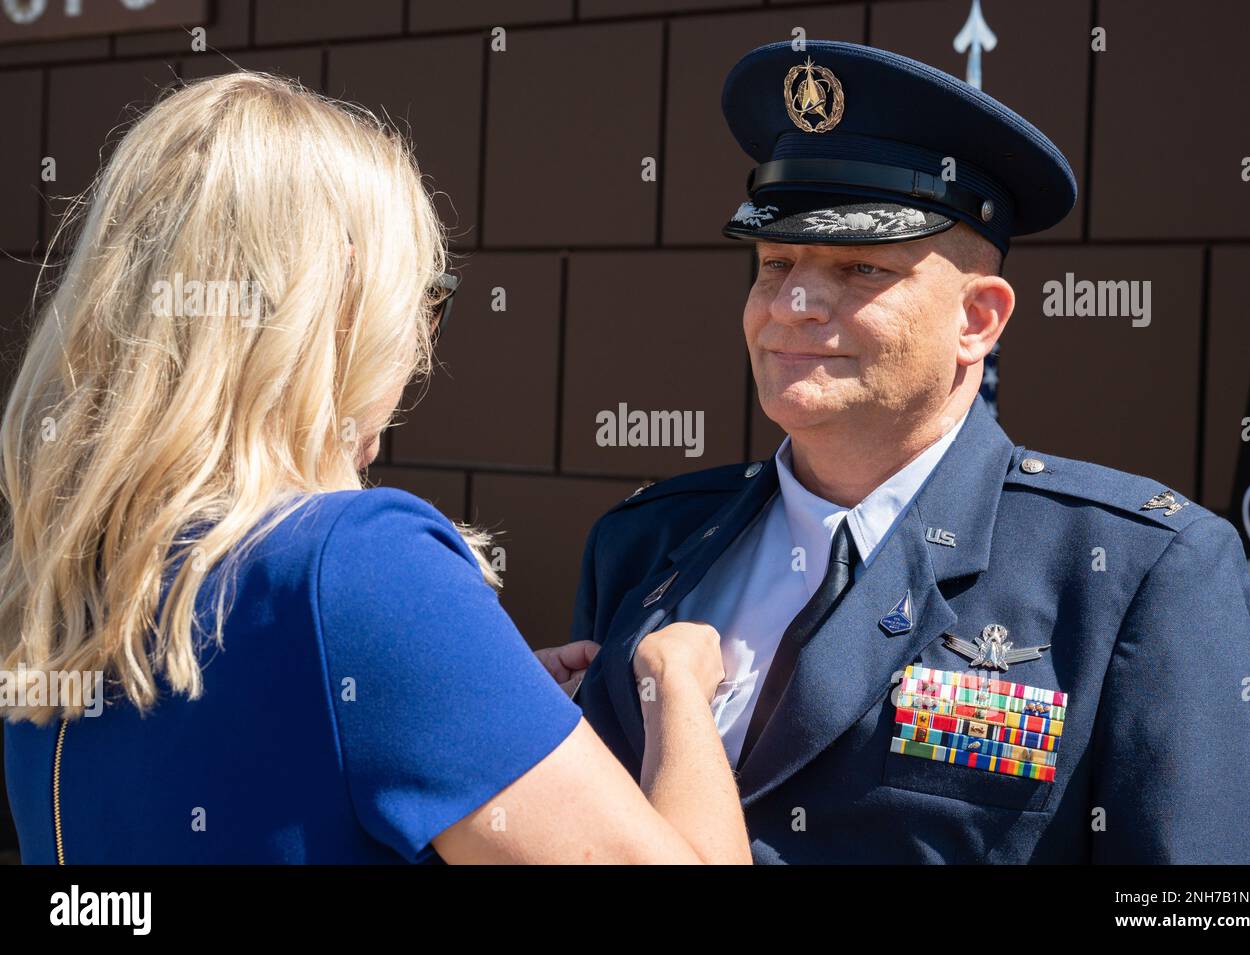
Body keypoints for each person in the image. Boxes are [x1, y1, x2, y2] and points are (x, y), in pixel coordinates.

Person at [563, 41, 1250, 864]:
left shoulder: (1134, 573)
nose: (794, 304)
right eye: (775, 264)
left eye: (858, 267)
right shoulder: (641, 547)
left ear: (977, 319)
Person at [0, 72, 750, 865]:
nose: (422, 348)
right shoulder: (358, 561)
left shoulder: (62, 582)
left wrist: (464, 689)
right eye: (427, 298)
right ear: (348, 294)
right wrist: (677, 689)